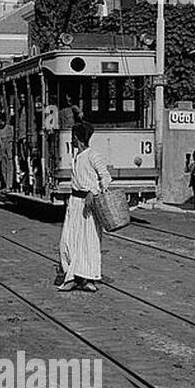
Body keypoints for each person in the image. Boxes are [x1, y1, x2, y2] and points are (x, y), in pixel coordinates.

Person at [58, 121, 112, 292]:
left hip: (89, 206)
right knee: (68, 241)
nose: (71, 140)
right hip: (74, 204)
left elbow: (106, 177)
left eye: (73, 137)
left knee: (89, 241)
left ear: (77, 137)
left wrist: (93, 192)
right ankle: (73, 275)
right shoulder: (76, 157)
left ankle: (86, 278)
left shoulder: (93, 155)